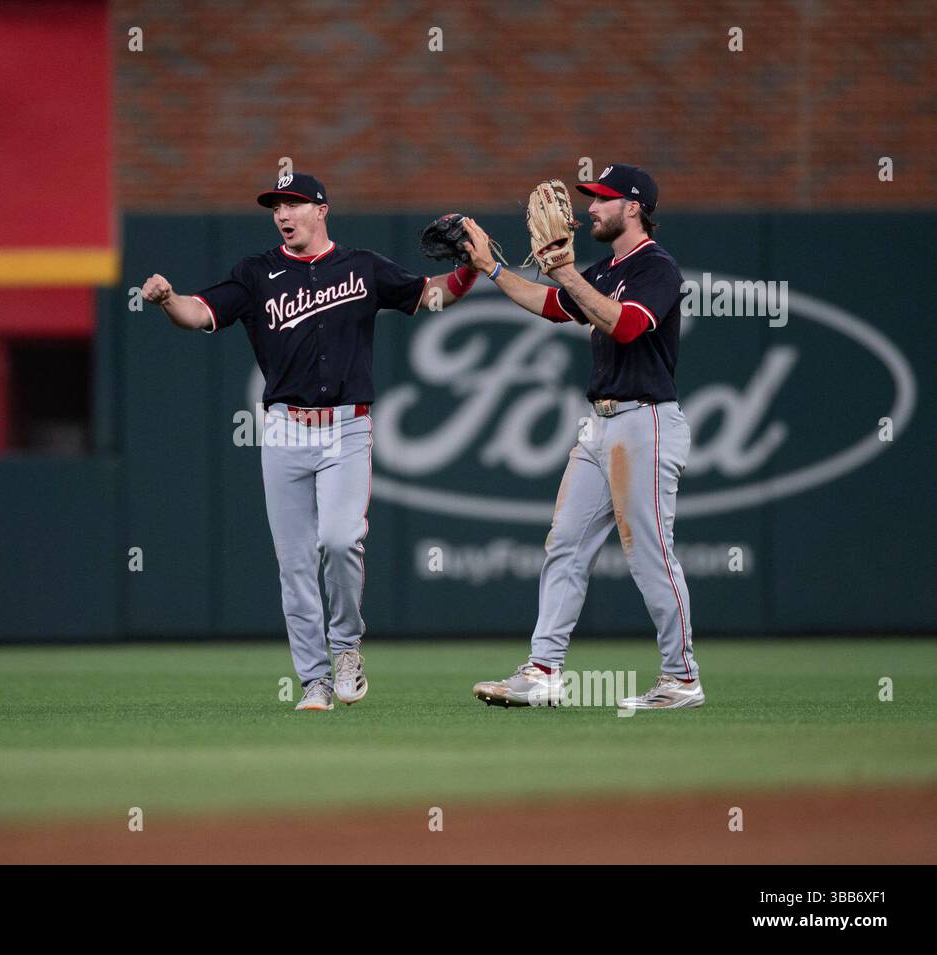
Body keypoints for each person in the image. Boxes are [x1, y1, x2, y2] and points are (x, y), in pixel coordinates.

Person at [142, 173, 478, 710]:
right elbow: (200, 312)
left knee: (341, 541)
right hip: (284, 431)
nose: (283, 213)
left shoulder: (362, 267)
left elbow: (429, 297)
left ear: (322, 209)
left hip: (346, 427)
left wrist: (469, 270)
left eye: (294, 203)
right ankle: (314, 680)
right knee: (294, 562)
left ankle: (346, 648)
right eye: (276, 205)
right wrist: (166, 299)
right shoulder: (256, 273)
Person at [464, 164, 703, 710]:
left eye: (602, 199)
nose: (588, 208)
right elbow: (552, 307)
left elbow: (627, 325)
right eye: (590, 199)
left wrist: (567, 272)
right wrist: (492, 267)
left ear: (634, 207)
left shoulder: (655, 267)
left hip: (646, 422)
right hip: (599, 425)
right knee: (565, 544)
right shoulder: (604, 268)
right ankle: (543, 670)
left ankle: (682, 677)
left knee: (648, 552)